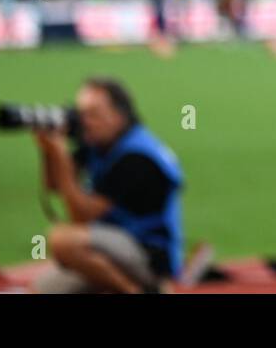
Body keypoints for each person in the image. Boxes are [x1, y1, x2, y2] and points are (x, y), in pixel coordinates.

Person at [32, 78, 184, 293]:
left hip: (150, 253)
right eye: (80, 113)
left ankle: (138, 291)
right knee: (45, 288)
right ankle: (115, 286)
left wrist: (61, 154)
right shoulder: (99, 143)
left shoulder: (137, 158)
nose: (84, 122)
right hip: (111, 246)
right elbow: (54, 186)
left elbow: (81, 216)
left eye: (93, 114)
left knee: (63, 240)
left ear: (119, 116)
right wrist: (48, 152)